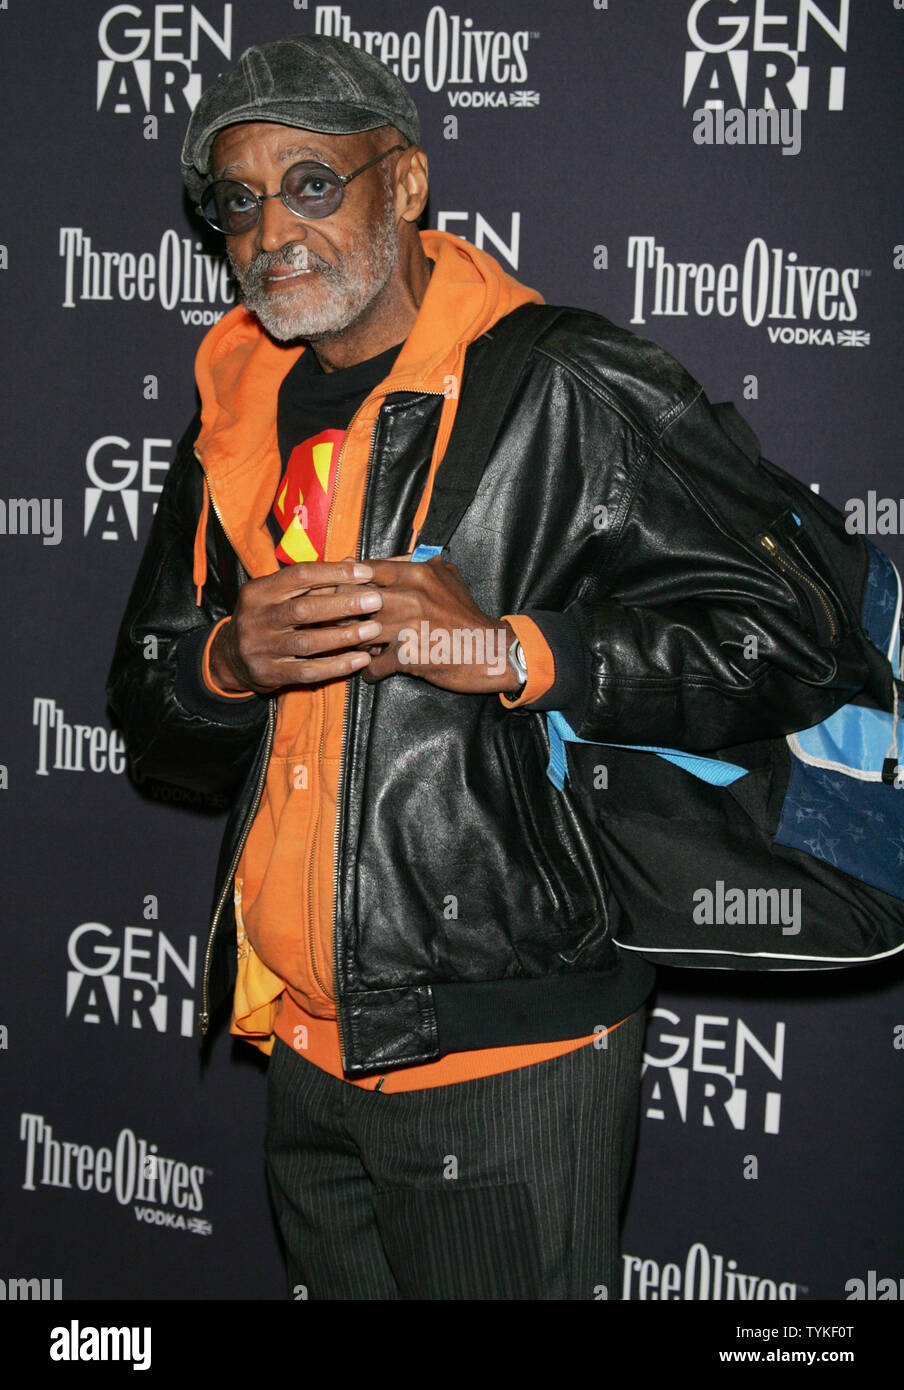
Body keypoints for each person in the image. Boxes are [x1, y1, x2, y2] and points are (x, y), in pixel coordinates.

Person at [106, 34, 865, 1301]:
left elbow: (802, 636)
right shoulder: (234, 407)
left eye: (310, 182)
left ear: (402, 186)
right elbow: (146, 699)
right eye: (238, 200)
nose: (270, 231)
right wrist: (228, 665)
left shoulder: (562, 380)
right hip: (299, 1037)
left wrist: (515, 648)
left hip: (509, 1051)